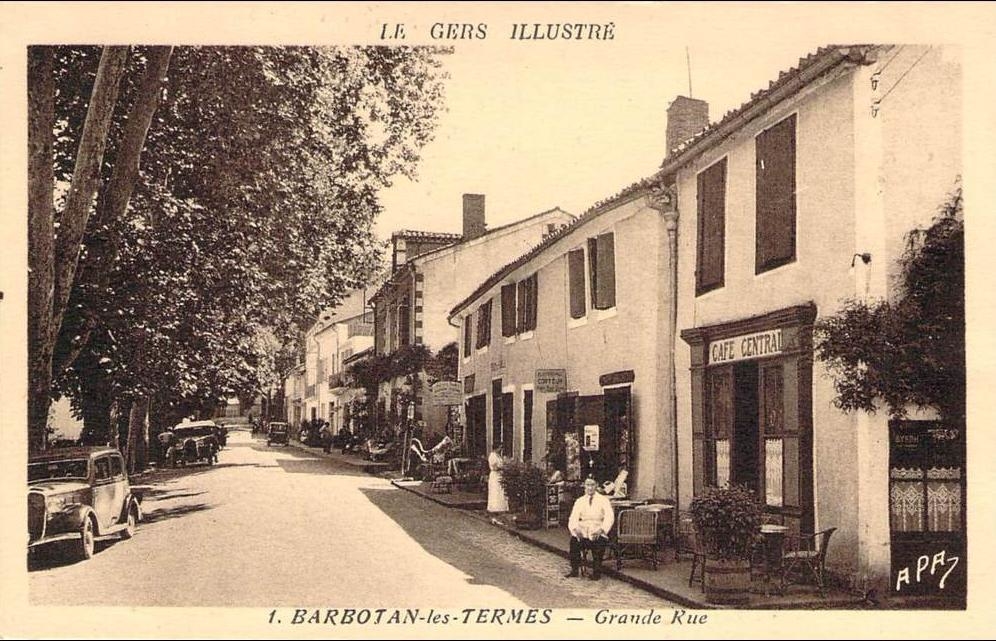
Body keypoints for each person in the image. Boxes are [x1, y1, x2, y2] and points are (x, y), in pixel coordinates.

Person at [565, 476, 615, 580]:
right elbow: (573, 517)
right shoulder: (580, 501)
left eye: (592, 485)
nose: (590, 488)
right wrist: (575, 529)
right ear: (584, 486)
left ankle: (596, 573)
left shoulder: (603, 500)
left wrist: (602, 530)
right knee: (573, 542)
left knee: (599, 544)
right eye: (588, 485)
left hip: (597, 530)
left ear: (596, 485)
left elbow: (609, 517)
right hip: (583, 532)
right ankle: (574, 570)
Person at [487, 443, 509, 513]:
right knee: (495, 491)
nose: (501, 450)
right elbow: (494, 467)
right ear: (496, 448)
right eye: (500, 448)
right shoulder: (492, 456)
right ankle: (494, 508)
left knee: (500, 491)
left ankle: (501, 507)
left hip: (500, 474)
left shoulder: (498, 456)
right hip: (495, 475)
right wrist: (502, 468)